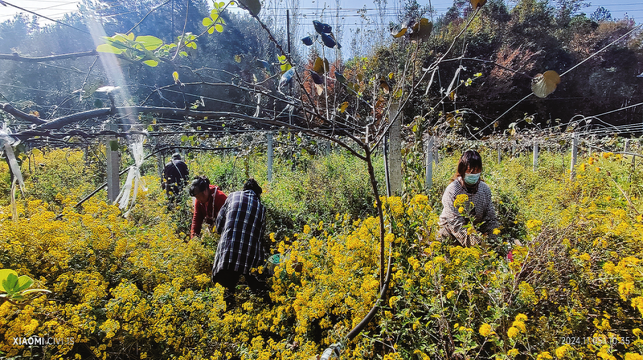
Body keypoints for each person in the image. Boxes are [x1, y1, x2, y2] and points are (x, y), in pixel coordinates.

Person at [213, 178, 269, 305]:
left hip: (227, 253)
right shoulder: (261, 208)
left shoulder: (232, 196)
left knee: (228, 287)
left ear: (244, 189)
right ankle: (261, 296)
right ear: (258, 194)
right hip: (249, 257)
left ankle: (229, 306)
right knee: (253, 276)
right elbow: (260, 237)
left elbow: (219, 225)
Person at [438, 150, 500, 248]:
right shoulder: (453, 190)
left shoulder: (484, 189)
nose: (474, 174)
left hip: (475, 234)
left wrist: (493, 241)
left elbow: (490, 218)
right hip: (451, 235)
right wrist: (475, 245)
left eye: (477, 171)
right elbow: (455, 223)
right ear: (462, 170)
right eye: (470, 171)